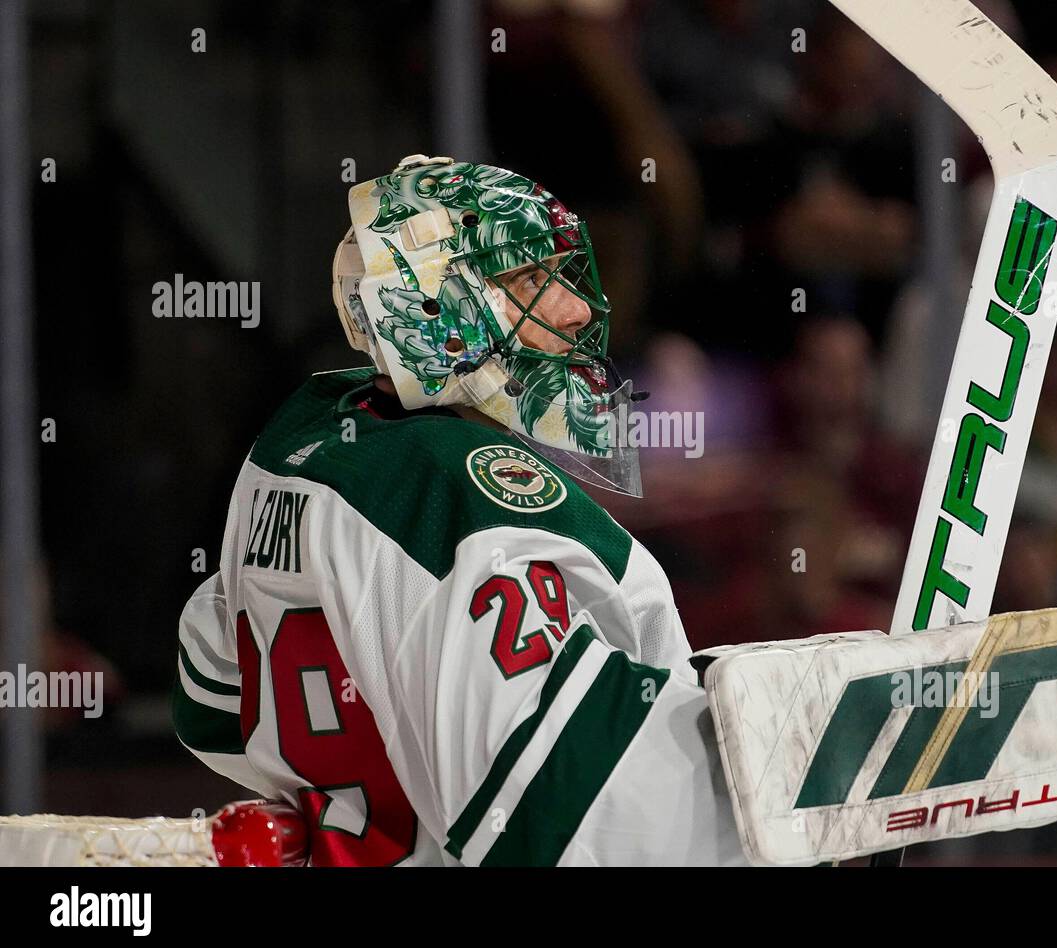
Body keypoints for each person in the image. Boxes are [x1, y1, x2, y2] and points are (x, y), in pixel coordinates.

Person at [172, 155, 747, 865]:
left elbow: (209, 693)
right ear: (437, 306)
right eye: (529, 280)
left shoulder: (302, 438)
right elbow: (566, 814)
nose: (573, 309)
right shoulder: (472, 499)